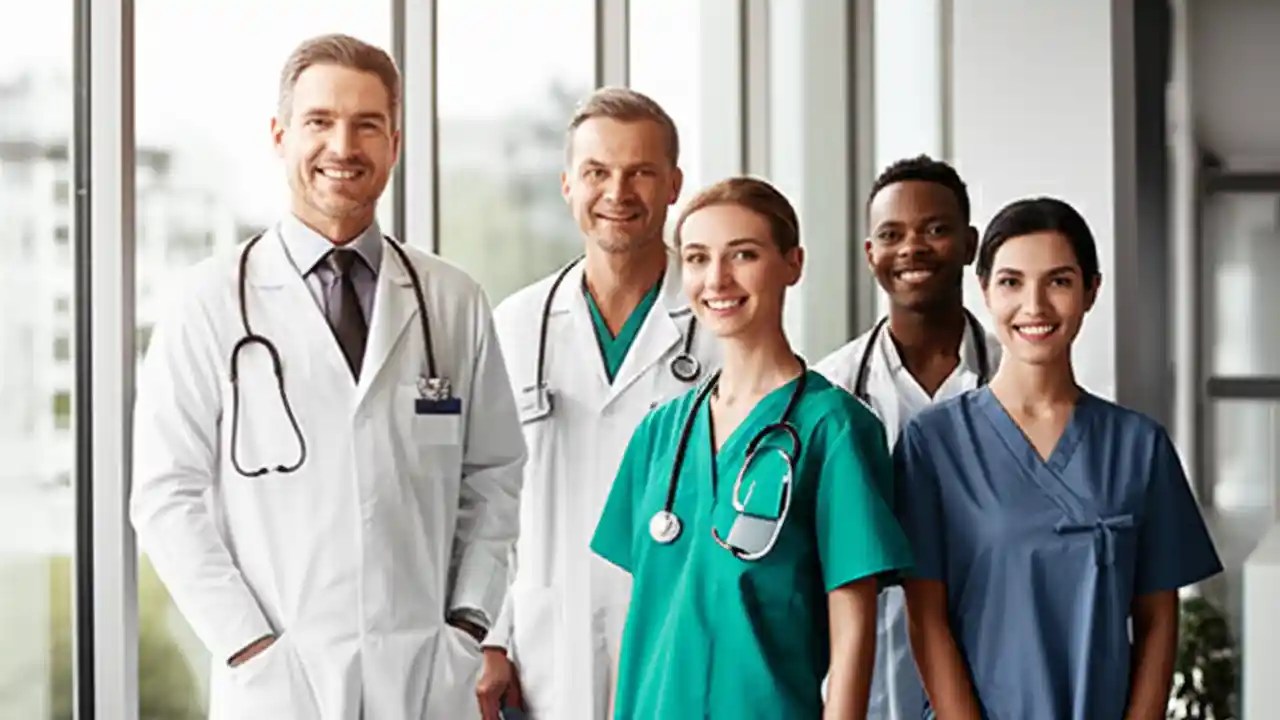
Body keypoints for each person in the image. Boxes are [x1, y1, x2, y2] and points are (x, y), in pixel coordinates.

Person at [129, 34, 525, 720]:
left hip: (425, 678)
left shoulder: (451, 301)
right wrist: (248, 644)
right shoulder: (210, 303)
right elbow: (167, 497)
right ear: (281, 136)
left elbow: (494, 476)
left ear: (394, 144)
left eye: (367, 125)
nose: (343, 146)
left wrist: (466, 622)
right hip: (280, 681)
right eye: (319, 121)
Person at [590, 177, 913, 719]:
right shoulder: (660, 431)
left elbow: (853, 628)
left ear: (793, 263)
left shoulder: (834, 427)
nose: (716, 279)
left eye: (743, 254)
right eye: (697, 258)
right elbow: (641, 614)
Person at [894, 197, 1224, 719]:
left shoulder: (1139, 447)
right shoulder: (934, 444)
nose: (1035, 306)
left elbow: (1159, 620)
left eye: (1059, 281)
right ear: (983, 291)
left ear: (1091, 290)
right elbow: (925, 618)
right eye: (1011, 282)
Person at [476, 87, 720, 720]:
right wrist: (491, 637)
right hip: (543, 648)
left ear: (674, 186)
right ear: (567, 185)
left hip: (683, 638)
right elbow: (481, 501)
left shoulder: (719, 326)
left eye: (641, 172)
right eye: (597, 172)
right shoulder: (518, 326)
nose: (618, 192)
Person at [814, 155, 1000, 720]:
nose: (912, 248)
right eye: (891, 235)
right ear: (871, 254)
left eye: (935, 230)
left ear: (970, 244)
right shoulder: (830, 391)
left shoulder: (1017, 379)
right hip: (872, 685)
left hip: (996, 664)